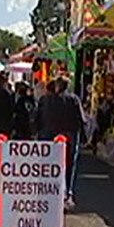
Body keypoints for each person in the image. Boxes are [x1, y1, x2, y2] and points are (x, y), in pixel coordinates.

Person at [35, 76, 86, 209]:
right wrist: (84, 138)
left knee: (47, 166)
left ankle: (46, 192)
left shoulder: (45, 100)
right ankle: (67, 193)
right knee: (69, 166)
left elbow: (37, 119)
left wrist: (36, 133)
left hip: (47, 136)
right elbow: (81, 120)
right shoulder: (74, 99)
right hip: (69, 136)